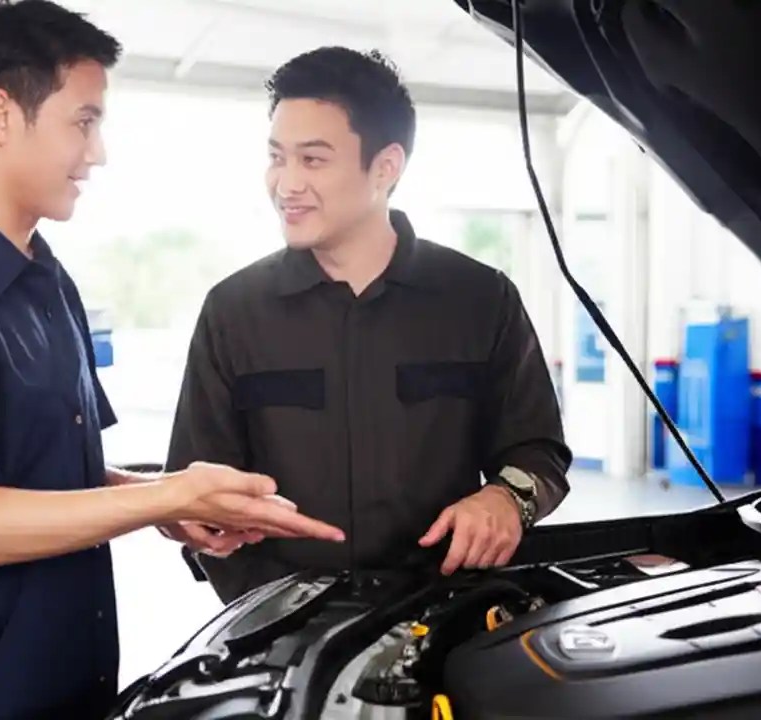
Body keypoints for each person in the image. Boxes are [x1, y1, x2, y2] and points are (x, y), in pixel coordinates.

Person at [0, 2, 345, 718]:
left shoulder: (45, 279)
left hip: (65, 683)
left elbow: (53, 473)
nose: (98, 151)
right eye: (84, 121)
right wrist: (165, 497)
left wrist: (177, 496)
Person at [165, 46, 573, 604]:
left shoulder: (479, 299)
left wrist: (506, 499)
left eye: (312, 160)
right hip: (278, 626)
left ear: (385, 167)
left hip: (449, 611)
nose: (285, 184)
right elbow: (196, 484)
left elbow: (538, 452)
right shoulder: (234, 311)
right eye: (276, 157)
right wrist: (246, 586)